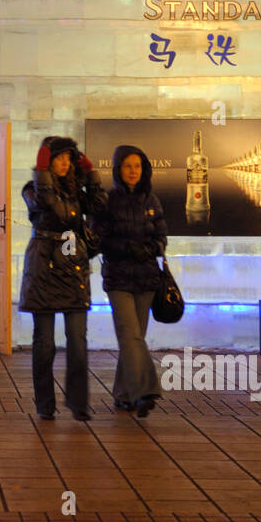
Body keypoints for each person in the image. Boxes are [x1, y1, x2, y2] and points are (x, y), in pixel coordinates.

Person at [20, 136, 107, 421]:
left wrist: (91, 175)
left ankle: (78, 402)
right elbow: (51, 207)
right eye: (58, 158)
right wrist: (43, 173)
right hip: (44, 269)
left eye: (69, 158)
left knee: (78, 341)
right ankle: (45, 404)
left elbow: (99, 207)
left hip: (73, 268)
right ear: (46, 162)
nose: (64, 163)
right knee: (44, 343)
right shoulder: (33, 188)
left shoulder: (77, 191)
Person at [95, 145, 166, 417]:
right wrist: (126, 248)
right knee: (130, 333)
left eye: (137, 166)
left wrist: (149, 249)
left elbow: (162, 238)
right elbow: (98, 237)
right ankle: (144, 391)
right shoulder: (108, 200)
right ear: (118, 170)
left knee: (133, 338)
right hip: (119, 278)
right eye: (128, 166)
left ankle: (124, 394)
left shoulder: (152, 201)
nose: (133, 171)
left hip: (147, 279)